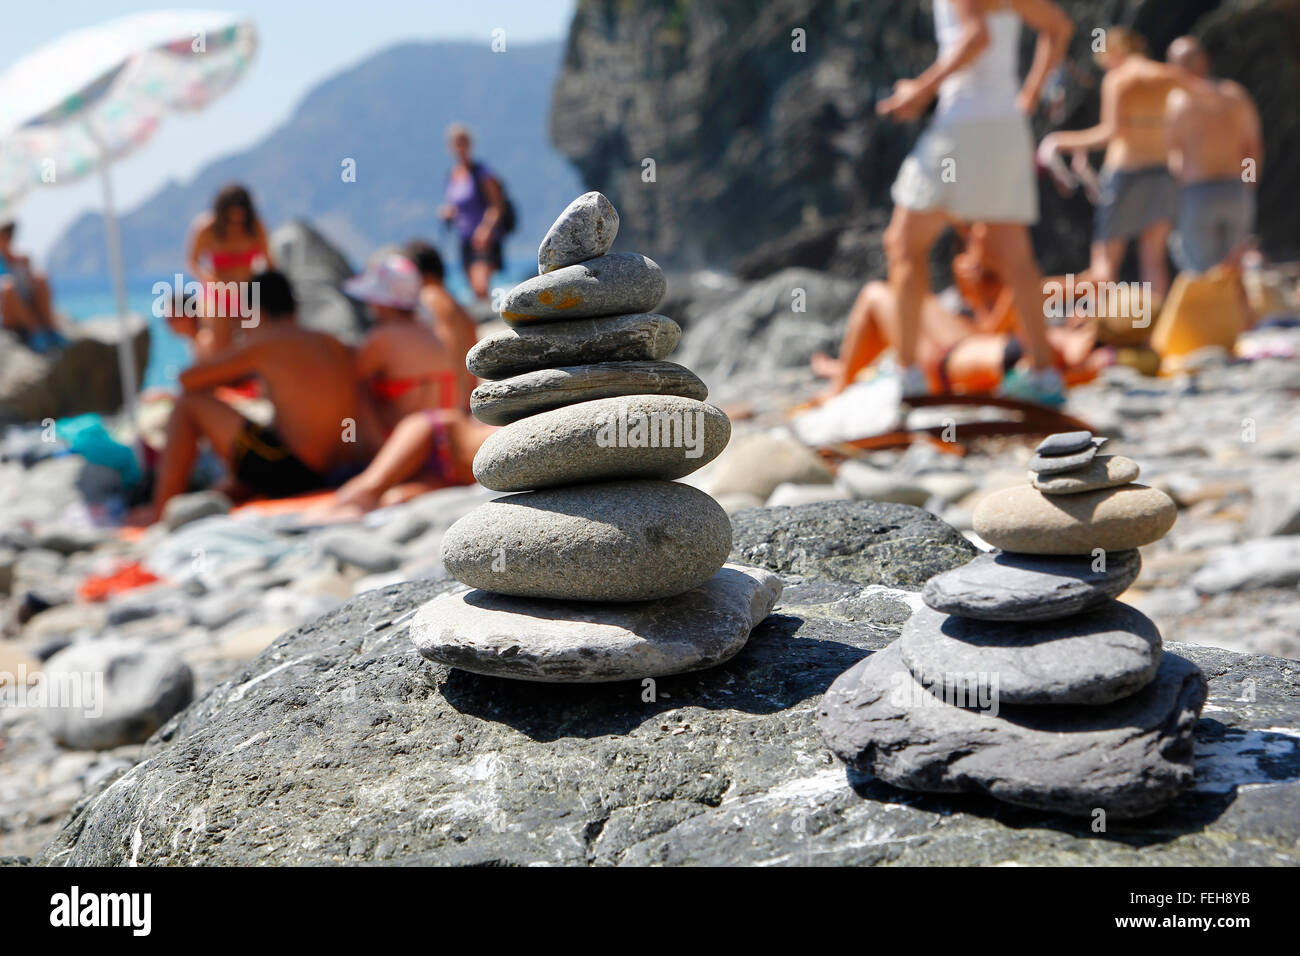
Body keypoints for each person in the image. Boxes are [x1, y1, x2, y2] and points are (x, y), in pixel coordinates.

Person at [878, 0, 1073, 407]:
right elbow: (1059, 27)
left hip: (962, 126)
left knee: (903, 244)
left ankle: (907, 374)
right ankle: (1044, 375)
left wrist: (919, 90)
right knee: (1016, 257)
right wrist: (1030, 95)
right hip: (1005, 127)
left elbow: (976, 37)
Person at [130, 270, 361, 524]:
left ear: (256, 311)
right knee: (251, 450)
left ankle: (160, 512)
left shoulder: (268, 340)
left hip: (296, 472)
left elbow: (188, 380)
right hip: (337, 467)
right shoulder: (329, 341)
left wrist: (226, 330)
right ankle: (208, 501)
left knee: (189, 404)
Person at [813, 227, 1105, 400]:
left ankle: (840, 385)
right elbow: (1091, 284)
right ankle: (847, 373)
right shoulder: (1042, 315)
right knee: (903, 299)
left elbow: (1090, 290)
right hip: (962, 352)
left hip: (947, 363)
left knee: (879, 294)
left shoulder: (1069, 337)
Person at [1038, 27, 1187, 301]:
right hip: (1162, 172)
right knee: (1153, 260)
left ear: (1115, 52)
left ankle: (1102, 332)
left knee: (1104, 265)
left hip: (1126, 172)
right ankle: (1153, 331)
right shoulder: (1172, 77)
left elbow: (1110, 132)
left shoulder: (1119, 79)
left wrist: (1059, 141)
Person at [1164, 35, 1263, 273]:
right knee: (1236, 269)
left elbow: (1172, 153)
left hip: (1198, 193)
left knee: (1201, 273)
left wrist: (1182, 183)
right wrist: (1247, 185)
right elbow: (1252, 147)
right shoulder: (1235, 95)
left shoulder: (1178, 101)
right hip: (1234, 191)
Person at [343, 251, 470, 435]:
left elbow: (347, 381)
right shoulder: (431, 333)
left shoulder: (383, 338)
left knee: (356, 392)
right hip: (444, 443)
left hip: (404, 448)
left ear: (382, 302)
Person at [186, 183, 273, 354]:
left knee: (255, 344)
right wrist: (209, 280)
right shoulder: (206, 228)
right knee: (220, 346)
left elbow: (269, 262)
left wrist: (271, 293)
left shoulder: (255, 228)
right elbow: (192, 261)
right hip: (218, 294)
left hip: (249, 293)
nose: (236, 216)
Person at [438, 124, 507, 300]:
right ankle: (490, 318)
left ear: (470, 144)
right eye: (456, 143)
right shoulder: (451, 175)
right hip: (464, 238)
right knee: (474, 289)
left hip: (484, 238)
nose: (460, 147)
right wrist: (448, 213)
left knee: (480, 285)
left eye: (463, 142)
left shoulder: (482, 172)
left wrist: (486, 229)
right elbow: (457, 204)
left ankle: (495, 319)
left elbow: (497, 205)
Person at [405, 239, 478, 404]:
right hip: (466, 403)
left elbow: (444, 353)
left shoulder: (428, 299)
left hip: (447, 405)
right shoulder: (458, 307)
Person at [0, 220, 64, 352]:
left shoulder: (21, 259)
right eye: (4, 235)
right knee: (8, 288)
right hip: (7, 314)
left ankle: (50, 329)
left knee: (41, 278)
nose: (8, 239)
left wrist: (25, 268)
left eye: (9, 234)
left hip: (26, 305)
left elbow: (30, 287)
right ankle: (36, 332)